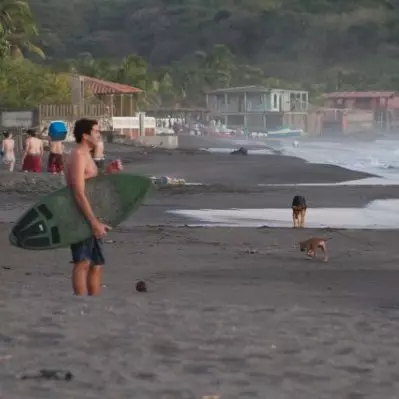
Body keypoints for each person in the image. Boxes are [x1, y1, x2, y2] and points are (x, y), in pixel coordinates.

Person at [67, 118, 122, 296]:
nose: (99, 134)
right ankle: (81, 303)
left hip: (92, 212)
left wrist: (108, 171)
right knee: (82, 262)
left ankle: (94, 303)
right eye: (96, 131)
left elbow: (92, 184)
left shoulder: (87, 155)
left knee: (97, 263)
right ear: (85, 135)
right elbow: (78, 192)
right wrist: (93, 222)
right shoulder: (77, 155)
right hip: (80, 215)